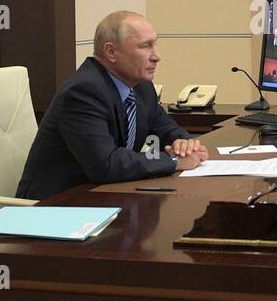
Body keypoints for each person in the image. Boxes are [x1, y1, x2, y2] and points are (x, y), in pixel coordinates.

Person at [16, 11, 209, 199]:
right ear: (111, 52)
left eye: (155, 45)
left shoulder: (141, 88)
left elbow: (166, 128)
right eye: (145, 46)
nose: (156, 56)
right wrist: (174, 161)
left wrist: (185, 144)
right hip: (58, 205)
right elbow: (106, 164)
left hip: (106, 196)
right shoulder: (83, 92)